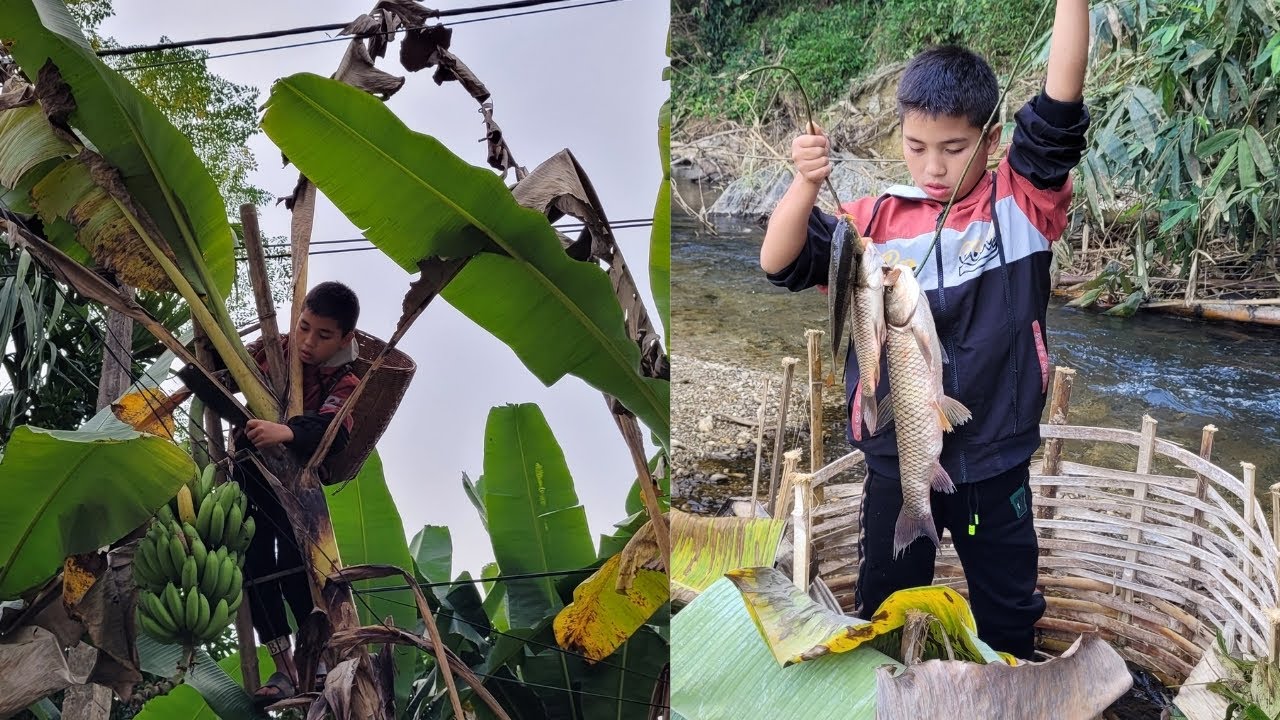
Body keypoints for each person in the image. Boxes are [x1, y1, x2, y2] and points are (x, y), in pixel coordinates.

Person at [759, 0, 1090, 659]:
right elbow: (780, 262)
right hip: (895, 455)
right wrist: (803, 184)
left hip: (996, 459)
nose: (933, 166)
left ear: (991, 142)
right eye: (916, 148)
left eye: (954, 149)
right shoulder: (872, 222)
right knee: (884, 598)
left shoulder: (1020, 205)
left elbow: (1059, 107)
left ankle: (1010, 680)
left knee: (1008, 605)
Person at [231, 281, 361, 700]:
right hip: (252, 473)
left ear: (345, 338)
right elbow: (228, 368)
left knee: (296, 565)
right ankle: (282, 667)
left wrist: (284, 431)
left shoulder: (347, 378)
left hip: (298, 484)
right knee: (253, 565)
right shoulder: (276, 348)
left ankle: (318, 657)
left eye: (323, 336)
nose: (308, 342)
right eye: (304, 327)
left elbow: (334, 430)